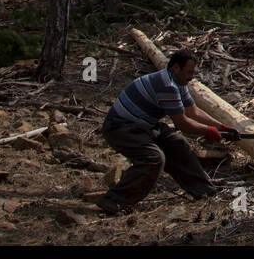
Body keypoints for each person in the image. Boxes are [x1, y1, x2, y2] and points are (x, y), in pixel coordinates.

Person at [95, 49, 239, 215]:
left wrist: (221, 127)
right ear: (176, 67)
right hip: (120, 128)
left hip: (144, 125)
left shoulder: (178, 82)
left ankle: (204, 190)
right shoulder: (167, 86)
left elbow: (193, 111)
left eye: (193, 72)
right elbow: (182, 123)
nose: (192, 76)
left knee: (178, 145)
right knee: (153, 158)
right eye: (189, 72)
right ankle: (114, 201)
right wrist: (208, 131)